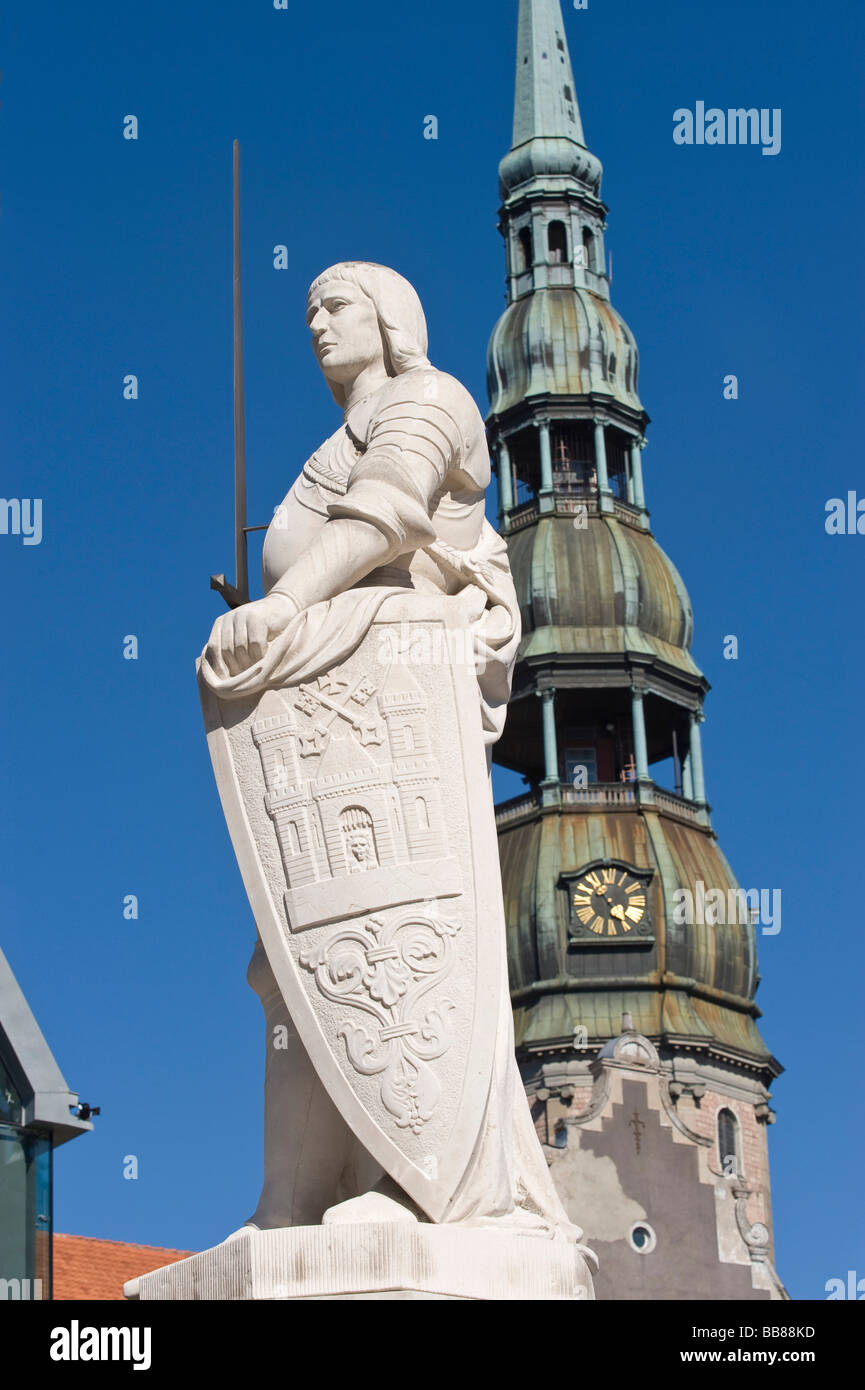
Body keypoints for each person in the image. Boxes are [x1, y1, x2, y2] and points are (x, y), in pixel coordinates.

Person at [201, 263, 585, 1242]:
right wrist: (283, 622)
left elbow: (388, 514)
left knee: (407, 945)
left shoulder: (433, 400)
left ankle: (415, 1181)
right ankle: (288, 1200)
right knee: (291, 965)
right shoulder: (326, 445)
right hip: (331, 701)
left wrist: (284, 607)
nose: (318, 322)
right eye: (309, 311)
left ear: (391, 319)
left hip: (400, 698)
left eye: (338, 306)